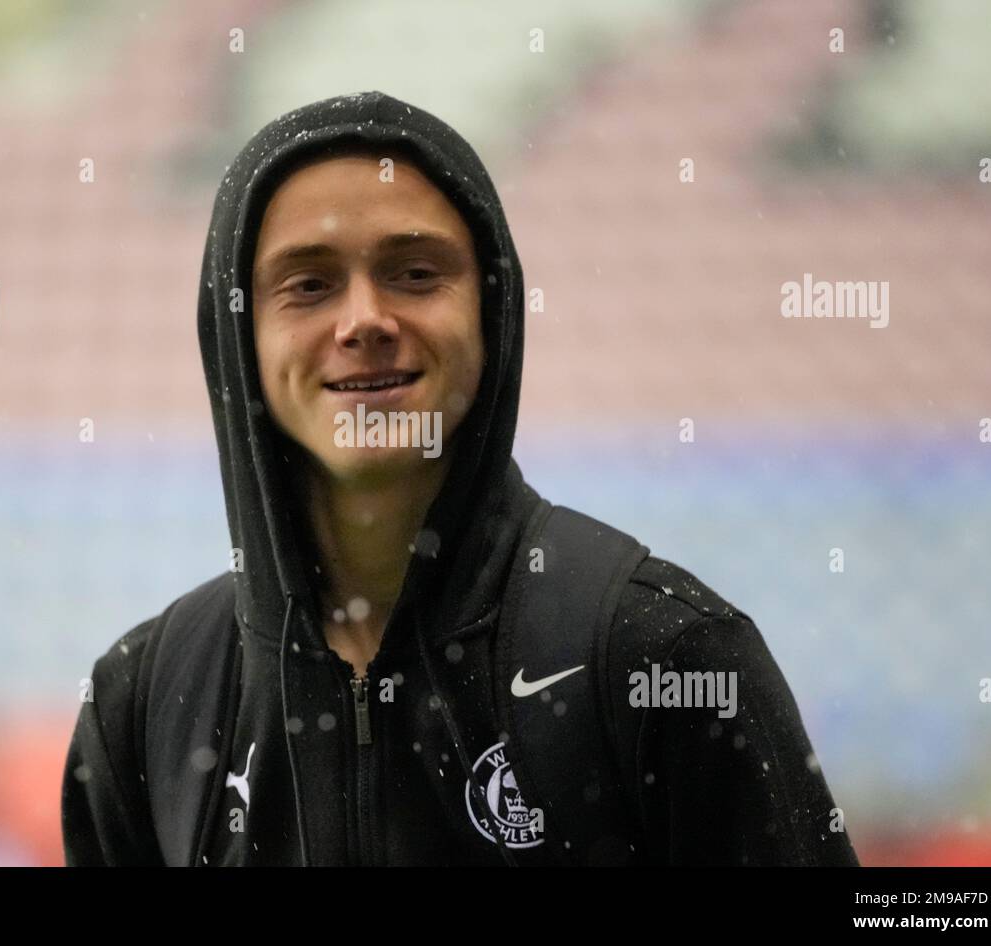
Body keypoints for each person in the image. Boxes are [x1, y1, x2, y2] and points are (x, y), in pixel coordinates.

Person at [61, 91, 859, 867]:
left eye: (414, 272)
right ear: (239, 336)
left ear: (493, 312)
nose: (365, 320)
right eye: (308, 283)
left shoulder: (664, 656)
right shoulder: (143, 700)